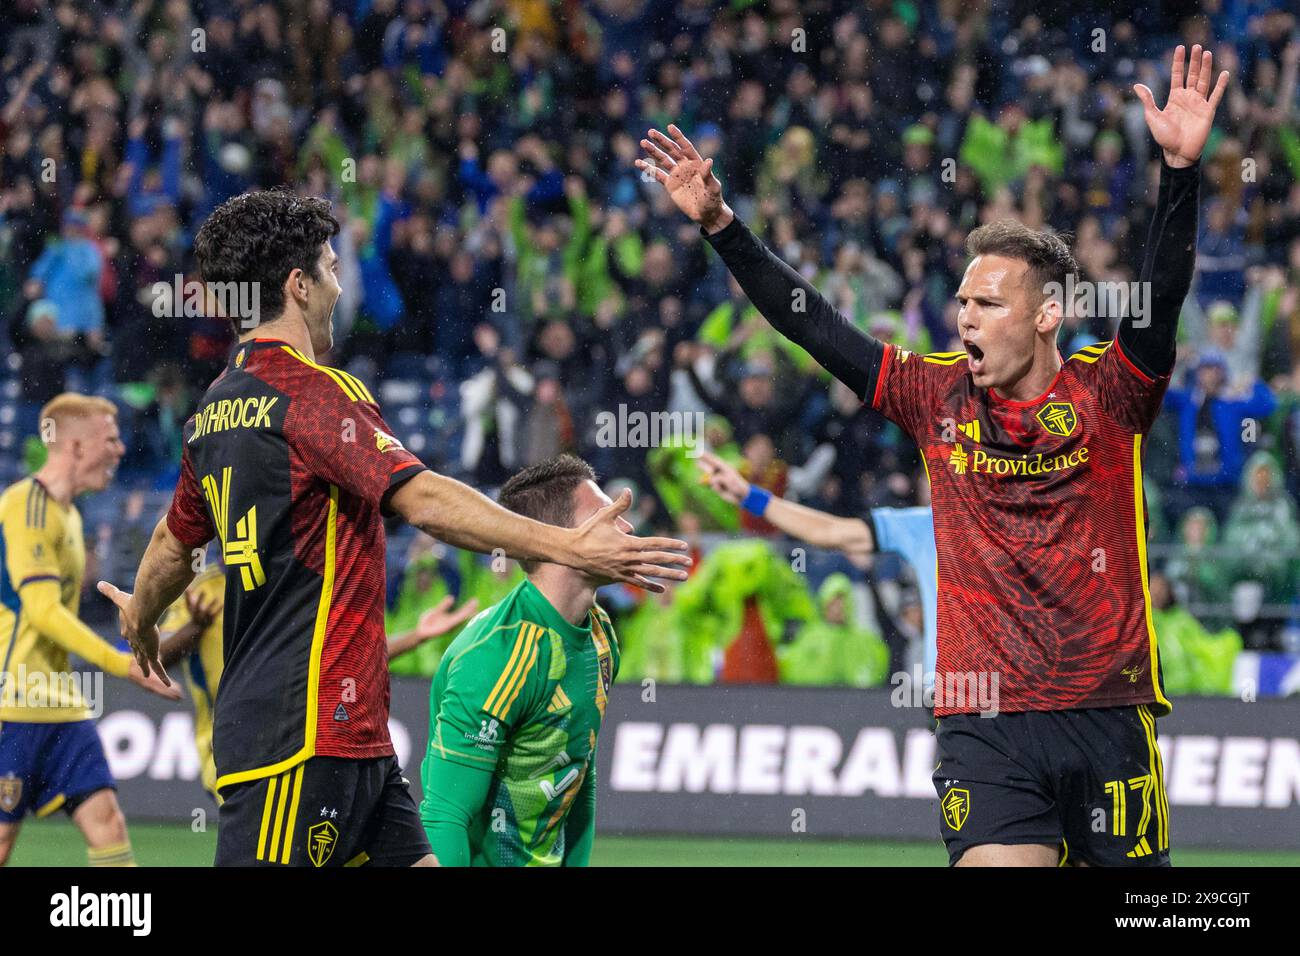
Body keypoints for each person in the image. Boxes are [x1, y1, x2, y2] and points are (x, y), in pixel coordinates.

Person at [639, 44, 1230, 867]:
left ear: (1049, 314)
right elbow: (814, 326)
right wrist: (722, 229)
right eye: (960, 302)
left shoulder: (1112, 393)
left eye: (989, 303)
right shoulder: (934, 395)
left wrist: (1178, 171)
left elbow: (1161, 295)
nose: (966, 319)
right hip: (980, 722)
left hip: (1106, 711)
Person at [96, 191, 690, 868]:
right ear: (298, 285)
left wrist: (142, 617)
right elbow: (423, 498)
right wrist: (567, 545)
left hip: (356, 741)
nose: (338, 284)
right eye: (328, 267)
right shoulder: (317, 394)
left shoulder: (212, 413)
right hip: (300, 736)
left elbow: (175, 543)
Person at [0, 394, 179, 867]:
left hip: (60, 704)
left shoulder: (71, 516)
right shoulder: (26, 506)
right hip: (12, 704)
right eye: (111, 439)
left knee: (108, 825)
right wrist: (121, 662)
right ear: (75, 446)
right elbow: (39, 611)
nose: (120, 450)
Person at [419, 454, 620, 866]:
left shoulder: (600, 633)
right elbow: (445, 816)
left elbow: (579, 775)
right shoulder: (495, 655)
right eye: (606, 515)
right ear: (559, 539)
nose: (628, 527)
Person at [157, 557, 479, 802]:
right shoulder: (202, 591)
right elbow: (157, 659)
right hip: (230, 748)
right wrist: (194, 628)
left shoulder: (287, 585)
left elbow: (344, 656)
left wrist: (417, 636)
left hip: (297, 742)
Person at [698, 449, 938, 691]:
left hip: (972, 691)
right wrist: (749, 496)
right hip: (950, 702)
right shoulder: (923, 525)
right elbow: (828, 532)